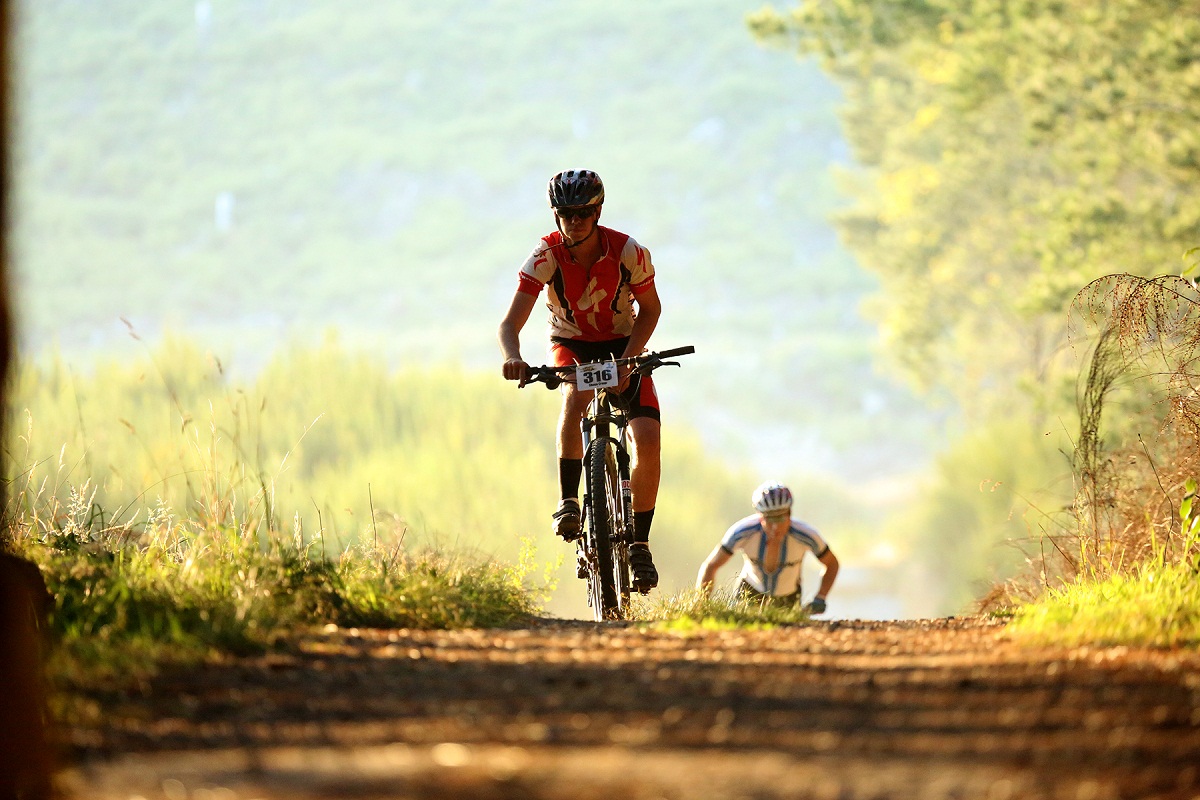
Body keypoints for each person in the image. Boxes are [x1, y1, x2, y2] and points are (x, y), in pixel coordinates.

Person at [498, 169, 664, 592]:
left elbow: (650, 310)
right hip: (571, 343)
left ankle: (640, 545)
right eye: (565, 214)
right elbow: (509, 324)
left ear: (597, 213)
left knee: (647, 437)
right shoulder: (545, 255)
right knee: (576, 396)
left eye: (582, 214)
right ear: (555, 216)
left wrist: (628, 359)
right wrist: (513, 357)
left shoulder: (628, 252)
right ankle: (569, 501)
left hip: (623, 343)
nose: (573, 222)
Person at [696, 482, 839, 614]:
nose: (775, 527)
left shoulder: (806, 535)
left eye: (780, 519)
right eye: (769, 519)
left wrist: (820, 597)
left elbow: (832, 564)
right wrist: (701, 603)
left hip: (788, 597)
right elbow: (711, 565)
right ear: (760, 516)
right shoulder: (742, 532)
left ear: (789, 514)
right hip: (749, 592)